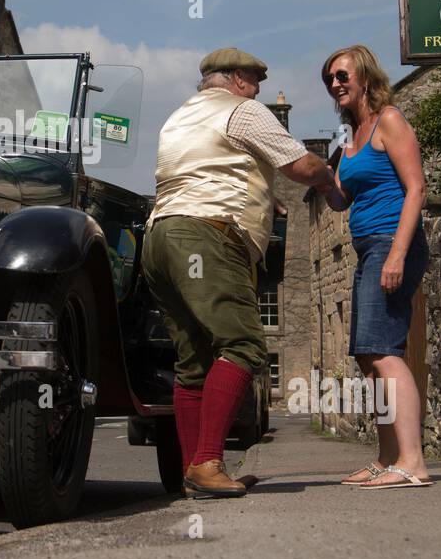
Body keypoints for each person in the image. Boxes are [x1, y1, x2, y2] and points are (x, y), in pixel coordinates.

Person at [144, 48, 337, 497]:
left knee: (193, 362)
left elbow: (205, 171)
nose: (258, 90)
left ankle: (194, 471)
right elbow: (299, 164)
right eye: (254, 81)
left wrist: (264, 196)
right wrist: (329, 177)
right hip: (207, 236)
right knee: (244, 346)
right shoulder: (242, 111)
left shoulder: (178, 117)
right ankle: (209, 462)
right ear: (235, 79)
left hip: (160, 236)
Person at [319, 45, 431, 489]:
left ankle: (413, 462)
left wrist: (398, 254)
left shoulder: (390, 120)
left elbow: (416, 188)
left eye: (342, 75)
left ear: (365, 77)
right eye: (330, 79)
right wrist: (317, 177)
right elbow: (339, 200)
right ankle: (387, 457)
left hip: (392, 242)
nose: (335, 84)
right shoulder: (350, 135)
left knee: (385, 352)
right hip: (368, 248)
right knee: (369, 357)